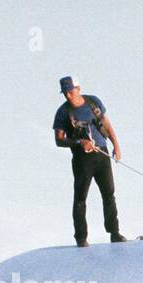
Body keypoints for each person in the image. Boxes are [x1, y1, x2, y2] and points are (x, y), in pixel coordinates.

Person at [52, 75, 126, 247]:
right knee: (80, 197)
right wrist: (80, 142)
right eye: (65, 93)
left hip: (102, 153)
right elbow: (59, 140)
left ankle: (114, 232)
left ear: (78, 89)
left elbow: (106, 124)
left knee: (109, 193)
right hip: (82, 159)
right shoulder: (63, 112)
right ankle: (81, 237)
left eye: (70, 91)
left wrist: (116, 146)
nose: (68, 95)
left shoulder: (93, 102)